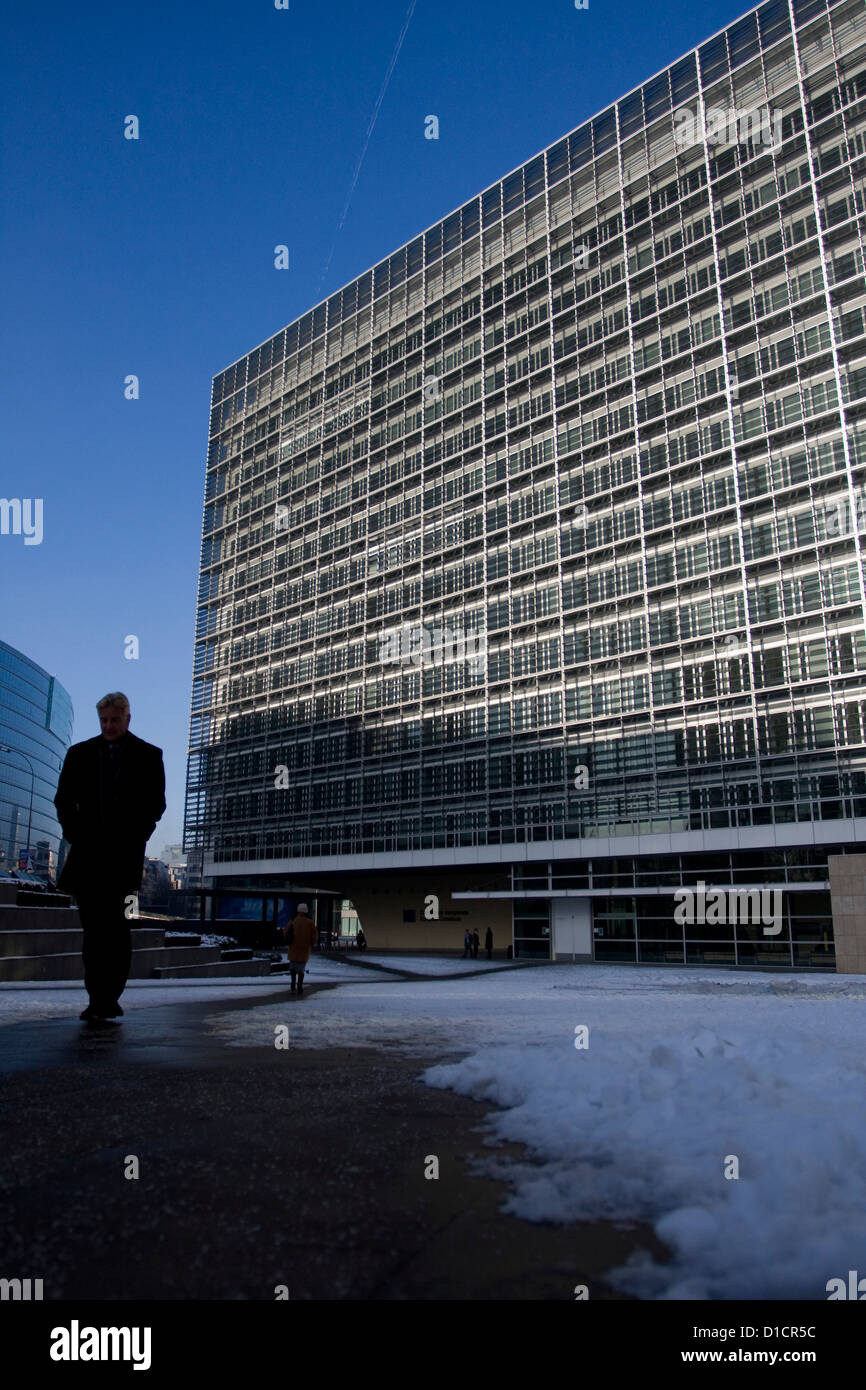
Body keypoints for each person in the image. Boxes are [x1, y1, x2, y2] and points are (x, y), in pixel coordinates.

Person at [54, 693, 166, 1022]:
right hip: (88, 858)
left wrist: (134, 836)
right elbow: (63, 801)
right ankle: (96, 998)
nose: (109, 726)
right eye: (104, 720)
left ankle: (110, 997)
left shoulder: (148, 755)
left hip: (123, 859)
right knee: (93, 932)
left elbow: (155, 805)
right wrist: (77, 834)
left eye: (115, 720)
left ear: (127, 718)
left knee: (117, 931)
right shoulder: (80, 754)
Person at [285, 902, 317, 994]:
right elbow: (314, 936)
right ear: (306, 911)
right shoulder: (310, 923)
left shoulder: (292, 921)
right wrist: (312, 943)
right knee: (301, 969)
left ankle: (292, 983)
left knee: (293, 968)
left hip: (293, 950)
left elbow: (285, 933)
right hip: (304, 950)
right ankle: (299, 985)